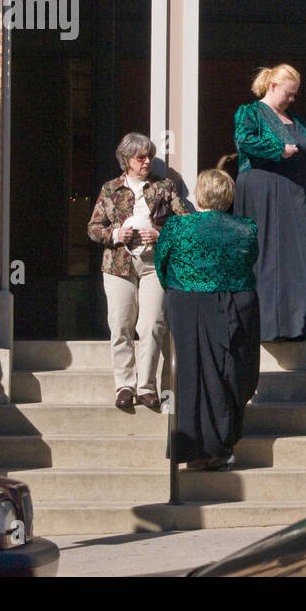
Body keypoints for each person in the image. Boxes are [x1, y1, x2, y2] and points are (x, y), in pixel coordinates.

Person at [155, 169, 259, 471]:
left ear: (199, 195)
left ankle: (195, 448)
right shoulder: (246, 227)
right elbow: (251, 258)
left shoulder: (176, 226)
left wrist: (179, 284)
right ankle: (220, 444)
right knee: (231, 369)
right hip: (236, 302)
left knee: (191, 372)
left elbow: (163, 264)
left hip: (188, 302)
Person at [233, 64, 306, 341]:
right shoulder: (250, 112)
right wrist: (278, 149)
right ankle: (264, 325)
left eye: (295, 95)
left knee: (295, 256)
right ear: (272, 87)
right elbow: (245, 142)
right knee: (265, 256)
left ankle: (293, 325)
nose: (292, 99)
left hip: (293, 193)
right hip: (261, 191)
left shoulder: (296, 119)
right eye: (289, 94)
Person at [87, 133, 189, 411]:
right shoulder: (110, 189)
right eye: (140, 157)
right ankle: (124, 386)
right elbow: (94, 228)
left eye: (149, 156)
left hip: (153, 264)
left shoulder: (165, 186)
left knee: (152, 324)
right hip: (117, 266)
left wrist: (159, 233)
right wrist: (116, 233)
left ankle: (146, 387)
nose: (146, 162)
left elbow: (185, 223)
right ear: (126, 160)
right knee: (120, 324)